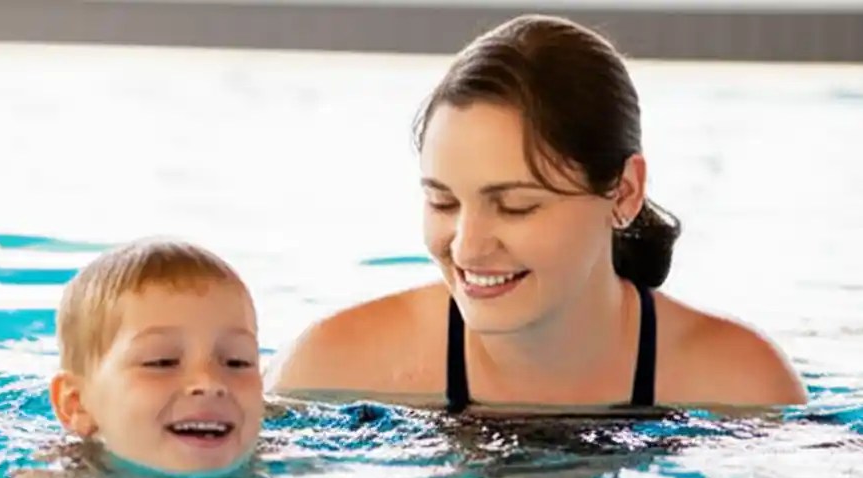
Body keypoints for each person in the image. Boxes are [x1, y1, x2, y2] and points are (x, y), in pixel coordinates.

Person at [267, 14, 806, 413]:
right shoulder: (330, 367)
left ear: (623, 193)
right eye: (443, 202)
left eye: (517, 206)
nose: (467, 247)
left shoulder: (739, 384)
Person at [16, 237, 264, 478]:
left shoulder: (287, 463)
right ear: (77, 404)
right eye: (162, 362)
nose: (209, 383)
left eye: (237, 362)